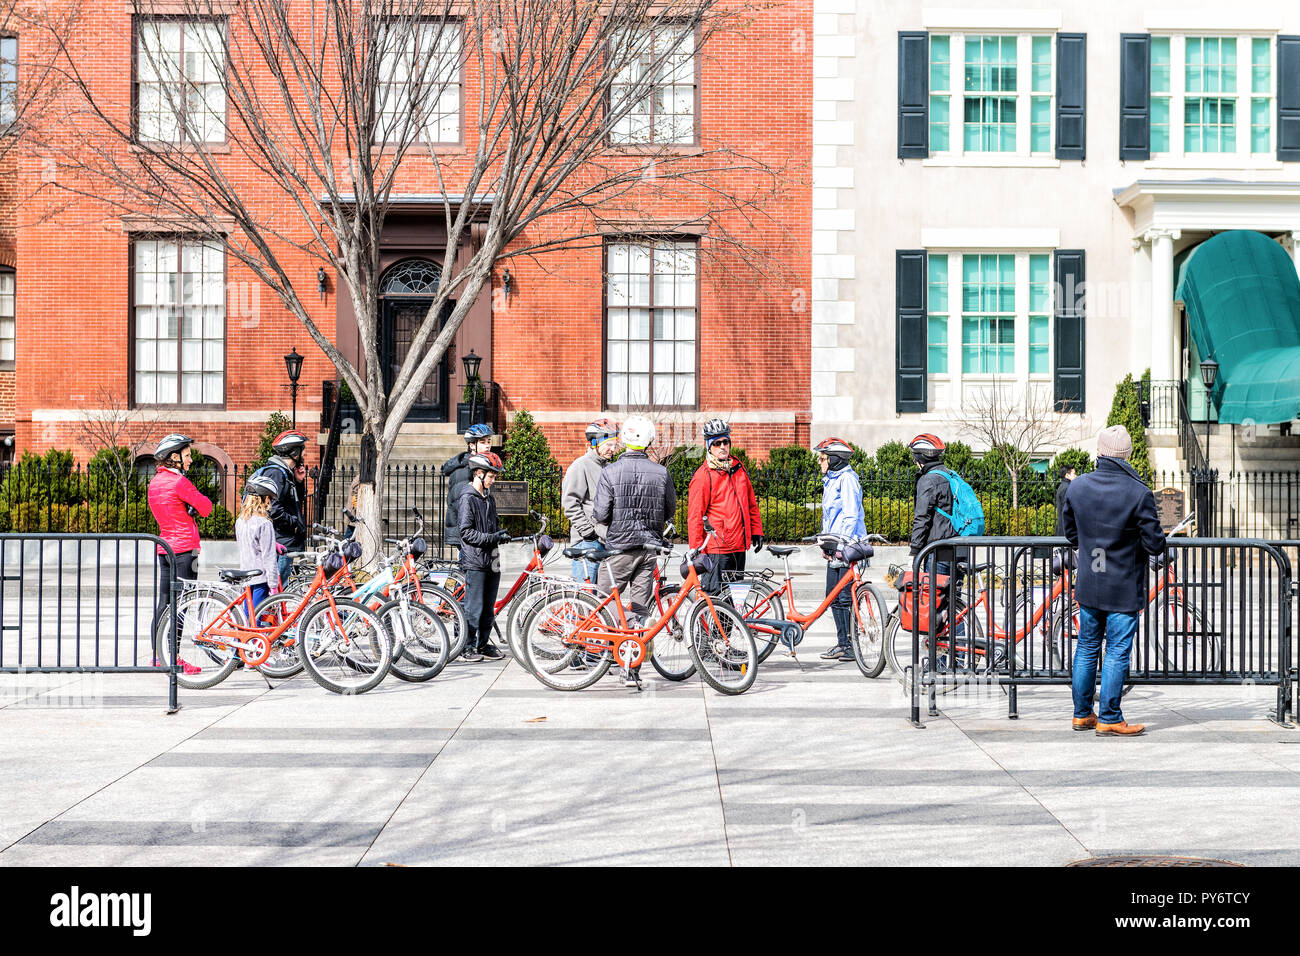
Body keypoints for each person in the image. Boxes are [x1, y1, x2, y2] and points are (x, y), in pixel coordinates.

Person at [1061, 425, 1166, 738]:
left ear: (1100, 451)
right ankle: (1109, 716)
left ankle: (1082, 714)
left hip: (1090, 581)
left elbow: (1071, 533)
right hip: (1123, 584)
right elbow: (1154, 543)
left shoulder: (1077, 486)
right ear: (1127, 455)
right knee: (1118, 652)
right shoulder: (1138, 492)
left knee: (1086, 648)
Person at [592, 415, 676, 688]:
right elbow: (670, 511)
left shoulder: (610, 471)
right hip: (649, 548)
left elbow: (601, 514)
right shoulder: (661, 472)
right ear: (648, 440)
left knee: (602, 601)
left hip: (617, 547)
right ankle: (632, 669)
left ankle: (611, 651)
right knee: (640, 607)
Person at [147, 433, 213, 674]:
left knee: (164, 602)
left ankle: (157, 655)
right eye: (186, 456)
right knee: (182, 604)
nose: (190, 460)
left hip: (164, 548)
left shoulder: (154, 483)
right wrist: (193, 507)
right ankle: (174, 657)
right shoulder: (179, 482)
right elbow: (206, 507)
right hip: (186, 549)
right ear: (174, 458)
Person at [688, 419, 763, 595]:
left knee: (735, 600)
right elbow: (695, 516)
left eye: (725, 442)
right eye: (717, 443)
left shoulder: (738, 468)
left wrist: (756, 530)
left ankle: (731, 624)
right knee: (715, 599)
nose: (722, 446)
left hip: (738, 546)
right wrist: (697, 550)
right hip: (717, 548)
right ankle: (707, 624)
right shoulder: (703, 476)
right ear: (709, 446)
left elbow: (751, 503)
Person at [907, 432, 965, 636]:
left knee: (938, 604)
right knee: (954, 605)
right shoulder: (951, 475)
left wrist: (914, 550)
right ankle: (959, 655)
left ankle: (940, 661)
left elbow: (922, 518)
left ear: (920, 458)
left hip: (938, 550)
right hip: (959, 547)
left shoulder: (928, 480)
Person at [814, 437, 866, 661]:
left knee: (845, 598)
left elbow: (851, 514)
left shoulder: (847, 480)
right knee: (832, 596)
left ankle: (852, 646)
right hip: (834, 546)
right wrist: (825, 542)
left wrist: (842, 544)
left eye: (823, 458)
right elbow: (830, 516)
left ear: (834, 460)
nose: (820, 462)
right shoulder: (831, 480)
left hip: (847, 547)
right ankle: (842, 643)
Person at [457, 450, 512, 663]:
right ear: (478, 473)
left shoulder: (488, 498)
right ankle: (467, 646)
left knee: (489, 607)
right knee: (474, 607)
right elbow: (466, 532)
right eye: (491, 476)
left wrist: (501, 534)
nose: (493, 480)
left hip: (493, 559)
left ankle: (483, 643)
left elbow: (493, 525)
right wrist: (491, 537)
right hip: (475, 560)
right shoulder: (467, 497)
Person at [561, 418, 619, 583]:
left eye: (615, 445)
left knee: (600, 597)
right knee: (585, 595)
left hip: (605, 540)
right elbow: (570, 503)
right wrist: (588, 532)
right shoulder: (581, 465)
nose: (612, 449)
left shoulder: (608, 468)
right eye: (608, 444)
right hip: (586, 542)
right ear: (595, 442)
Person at [253, 429, 309, 588]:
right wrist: (295, 523)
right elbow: (274, 509)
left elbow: (293, 501)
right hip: (281, 541)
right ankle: (268, 613)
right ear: (295, 452)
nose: (303, 453)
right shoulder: (276, 474)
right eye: (302, 450)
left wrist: (298, 482)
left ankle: (272, 612)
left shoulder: (285, 474)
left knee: (278, 590)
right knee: (276, 590)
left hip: (285, 540)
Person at [235, 474, 281, 617]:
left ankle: (240, 639)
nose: (271, 503)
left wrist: (273, 543)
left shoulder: (241, 521)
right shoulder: (264, 524)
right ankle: (252, 640)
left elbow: (250, 544)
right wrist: (273, 586)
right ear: (265, 498)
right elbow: (269, 558)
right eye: (271, 499)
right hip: (261, 578)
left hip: (246, 576)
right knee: (256, 618)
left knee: (246, 617)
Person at [442, 423, 494, 552]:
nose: (487, 445)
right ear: (472, 445)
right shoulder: (464, 470)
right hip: (465, 531)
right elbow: (461, 503)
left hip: (475, 531)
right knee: (468, 568)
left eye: (489, 441)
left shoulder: (478, 466)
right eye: (482, 442)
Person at [1055, 465, 1078, 536]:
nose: (1076, 476)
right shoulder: (1066, 488)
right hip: (1066, 530)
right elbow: (1067, 510)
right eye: (1074, 473)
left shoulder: (1064, 486)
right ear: (1067, 475)